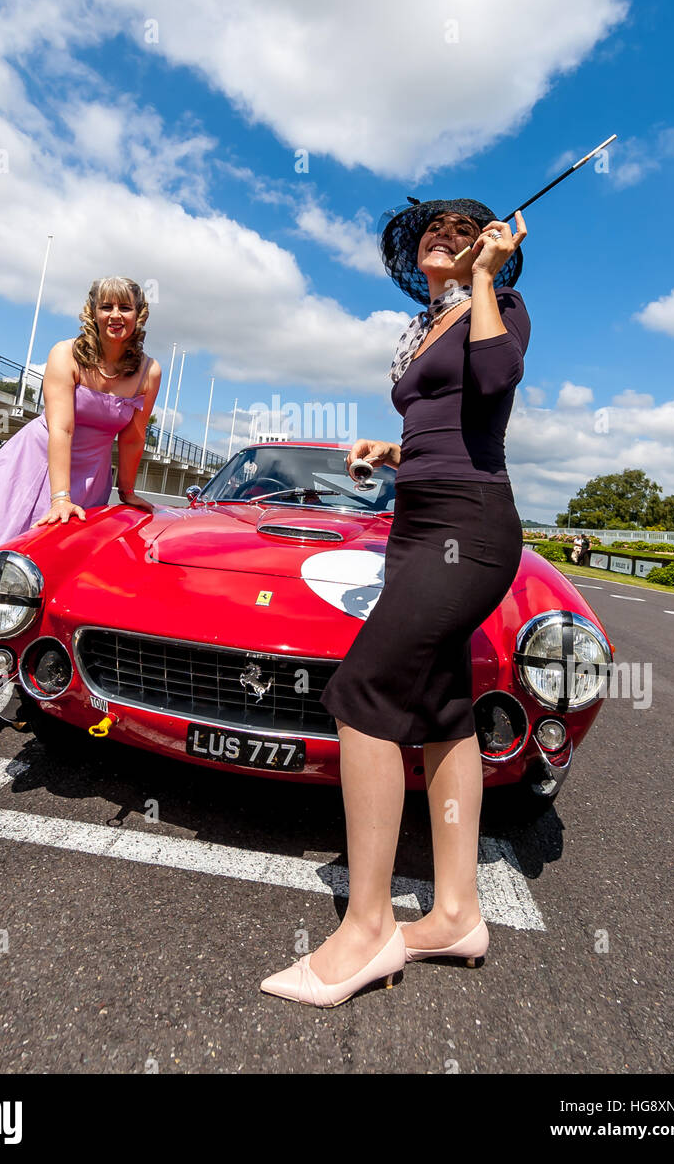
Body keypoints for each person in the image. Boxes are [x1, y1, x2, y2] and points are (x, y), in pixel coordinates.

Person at [260, 198, 528, 1006]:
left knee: (366, 692)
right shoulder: (426, 326)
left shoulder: (500, 305)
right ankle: (455, 912)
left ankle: (370, 928)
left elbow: (495, 379)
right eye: (429, 234)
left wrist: (485, 279)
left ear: (490, 246)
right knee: (444, 707)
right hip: (414, 523)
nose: (440, 239)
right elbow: (446, 418)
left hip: (472, 524)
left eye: (459, 230)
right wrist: (394, 447)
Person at [0, 276, 161, 755]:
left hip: (90, 480)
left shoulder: (148, 371)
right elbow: (63, 428)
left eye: (126, 308)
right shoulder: (65, 354)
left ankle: (36, 681)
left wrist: (127, 492)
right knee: (2, 581)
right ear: (92, 311)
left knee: (56, 587)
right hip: (36, 470)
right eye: (106, 306)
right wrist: (59, 496)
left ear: (139, 316)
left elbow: (131, 438)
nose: (116, 315)